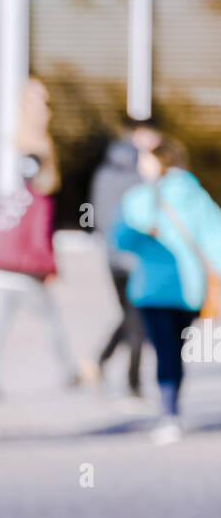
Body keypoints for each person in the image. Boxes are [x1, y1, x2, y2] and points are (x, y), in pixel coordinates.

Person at [112, 137, 221, 444]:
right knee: (175, 349)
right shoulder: (196, 195)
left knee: (164, 350)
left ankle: (169, 414)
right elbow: (216, 238)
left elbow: (120, 239)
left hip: (153, 286)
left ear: (159, 161)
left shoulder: (141, 196)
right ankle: (173, 410)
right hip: (191, 287)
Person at [0, 152, 80, 396]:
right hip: (28, 273)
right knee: (51, 323)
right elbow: (40, 240)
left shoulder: (4, 199)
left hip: (1, 271)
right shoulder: (40, 202)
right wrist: (51, 267)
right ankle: (69, 372)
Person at [90, 117, 160, 397]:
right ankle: (133, 381)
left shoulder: (103, 171)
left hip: (113, 257)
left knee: (132, 316)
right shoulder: (141, 175)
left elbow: (97, 216)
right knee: (137, 319)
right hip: (135, 256)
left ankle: (102, 360)